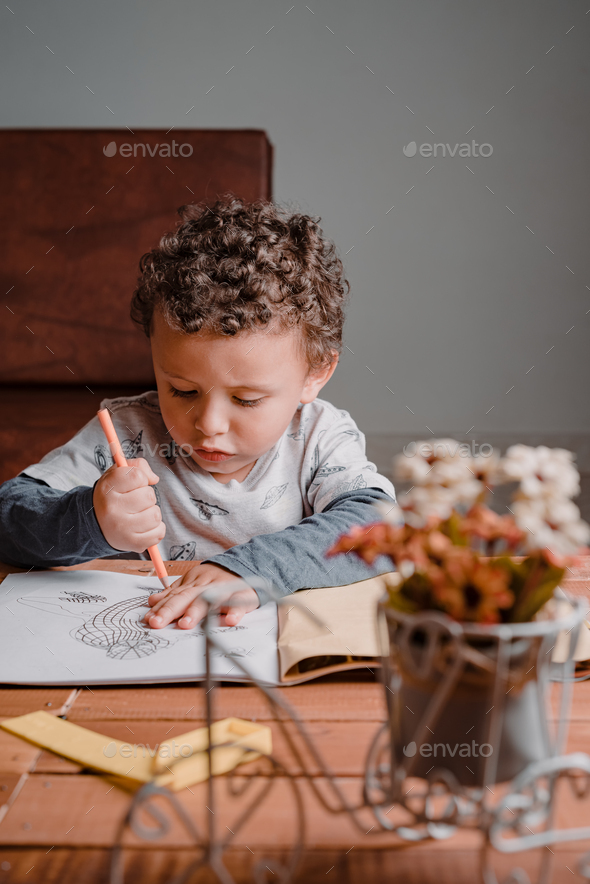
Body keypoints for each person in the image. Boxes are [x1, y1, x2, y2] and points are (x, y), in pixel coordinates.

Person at [0, 195, 398, 629]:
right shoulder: (129, 433)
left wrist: (249, 570)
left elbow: (378, 528)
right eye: (182, 390)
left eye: (246, 399)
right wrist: (89, 519)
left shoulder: (319, 436)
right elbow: (9, 518)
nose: (208, 425)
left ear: (315, 375)